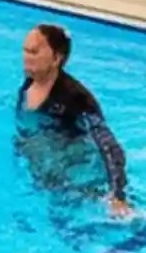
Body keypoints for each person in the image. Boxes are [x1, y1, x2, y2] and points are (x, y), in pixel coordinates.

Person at [15, 23, 131, 218]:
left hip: (75, 167)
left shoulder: (76, 99)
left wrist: (118, 196)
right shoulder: (28, 84)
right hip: (43, 165)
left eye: (34, 52)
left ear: (56, 58)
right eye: (24, 50)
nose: (25, 58)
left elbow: (109, 147)